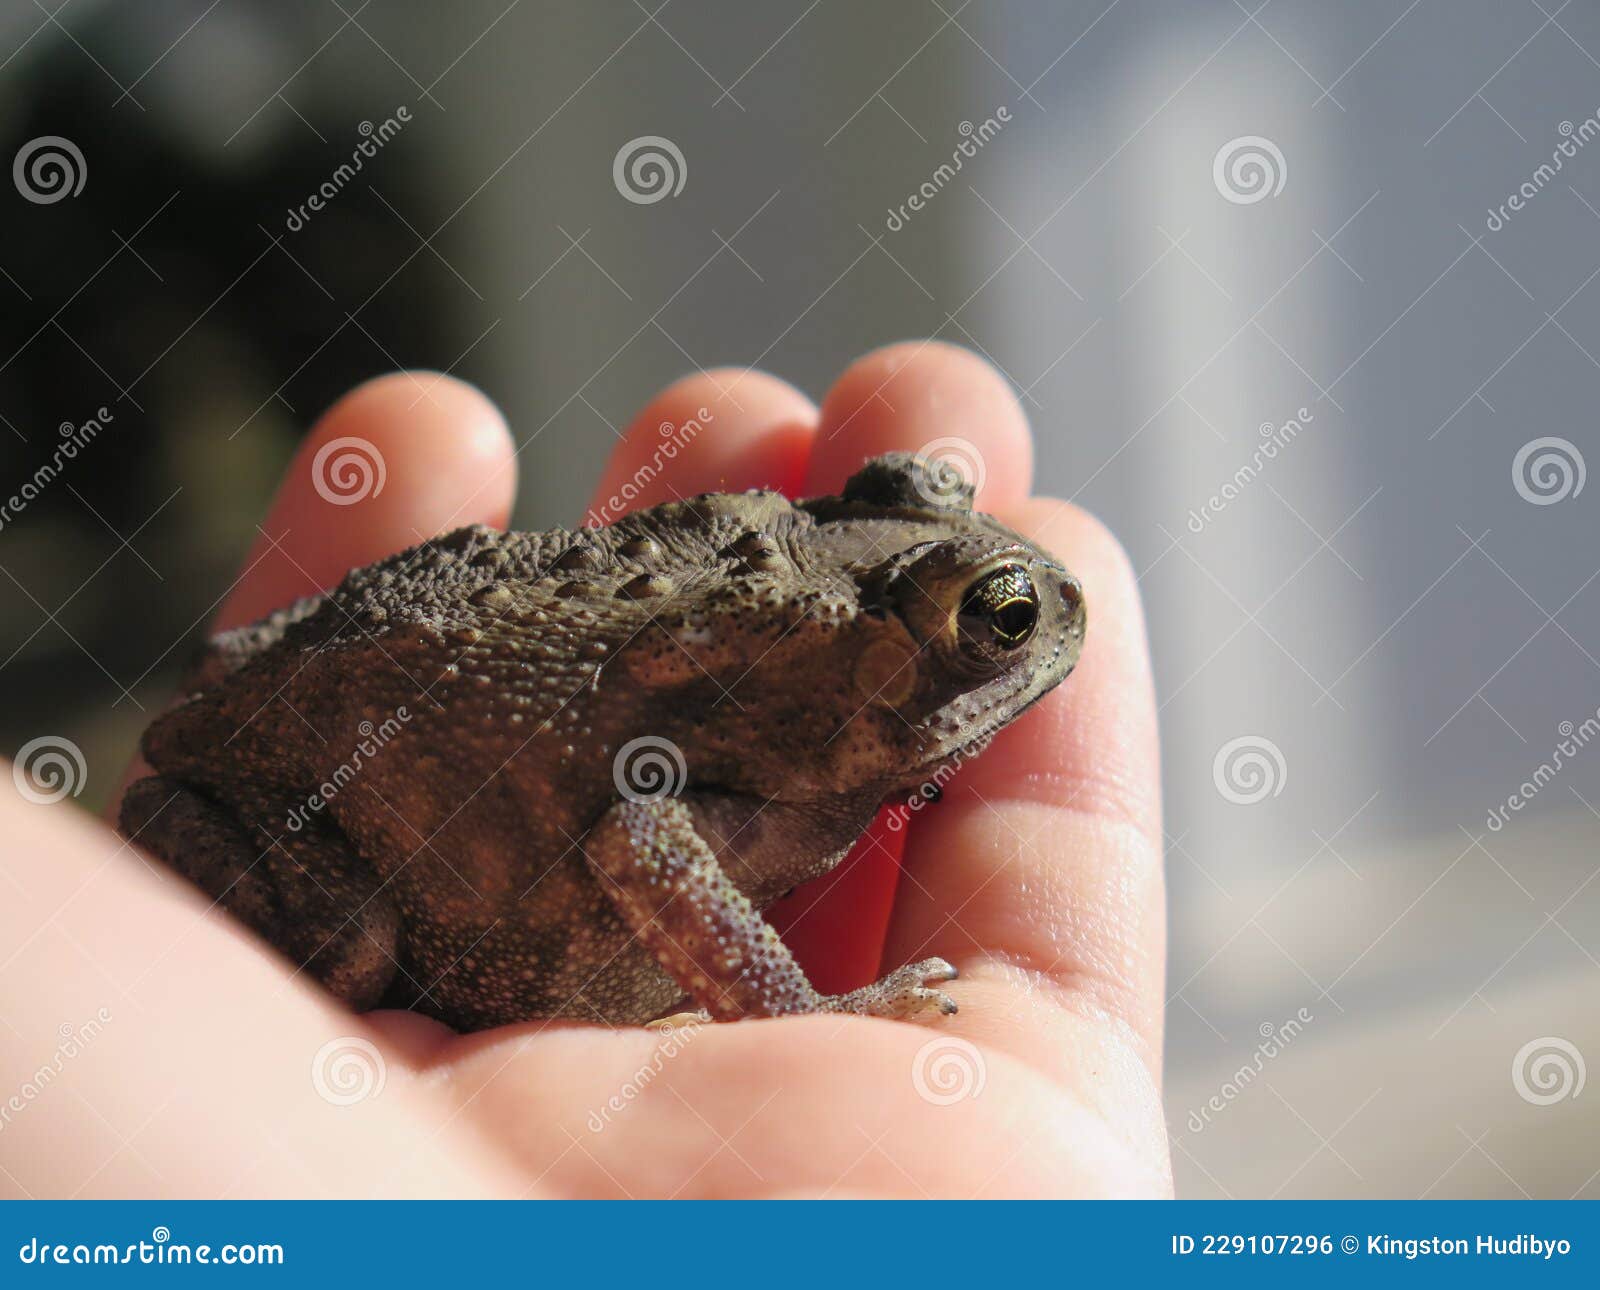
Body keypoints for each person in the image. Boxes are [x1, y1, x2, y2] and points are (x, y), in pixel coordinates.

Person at [0, 342, 1169, 1198]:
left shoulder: (777, 701)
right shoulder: (785, 714)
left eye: (995, 610)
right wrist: (800, 1016)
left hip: (368, 663)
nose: (1035, 612)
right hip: (301, 819)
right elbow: (640, 840)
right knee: (343, 941)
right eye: (1000, 620)